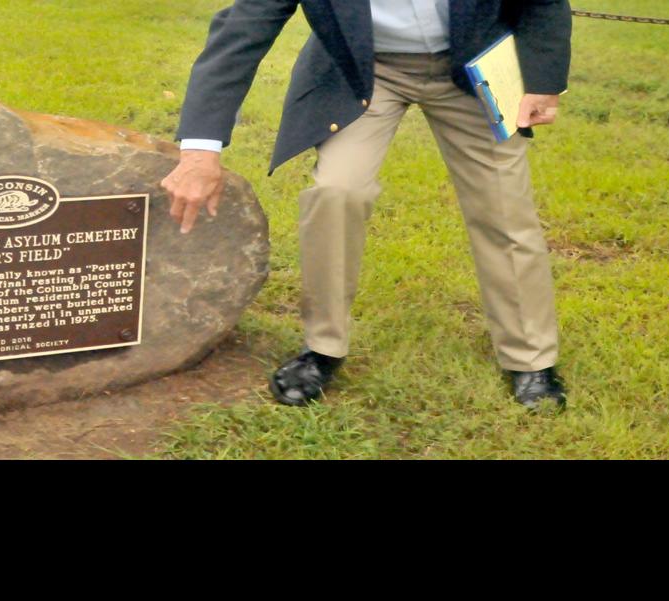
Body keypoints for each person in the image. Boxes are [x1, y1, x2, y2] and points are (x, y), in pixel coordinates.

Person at [162, 0, 571, 409]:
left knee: (503, 206)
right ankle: (322, 347)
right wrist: (199, 150)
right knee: (336, 194)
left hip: (470, 63)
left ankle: (530, 358)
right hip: (364, 70)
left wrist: (543, 78)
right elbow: (245, 26)